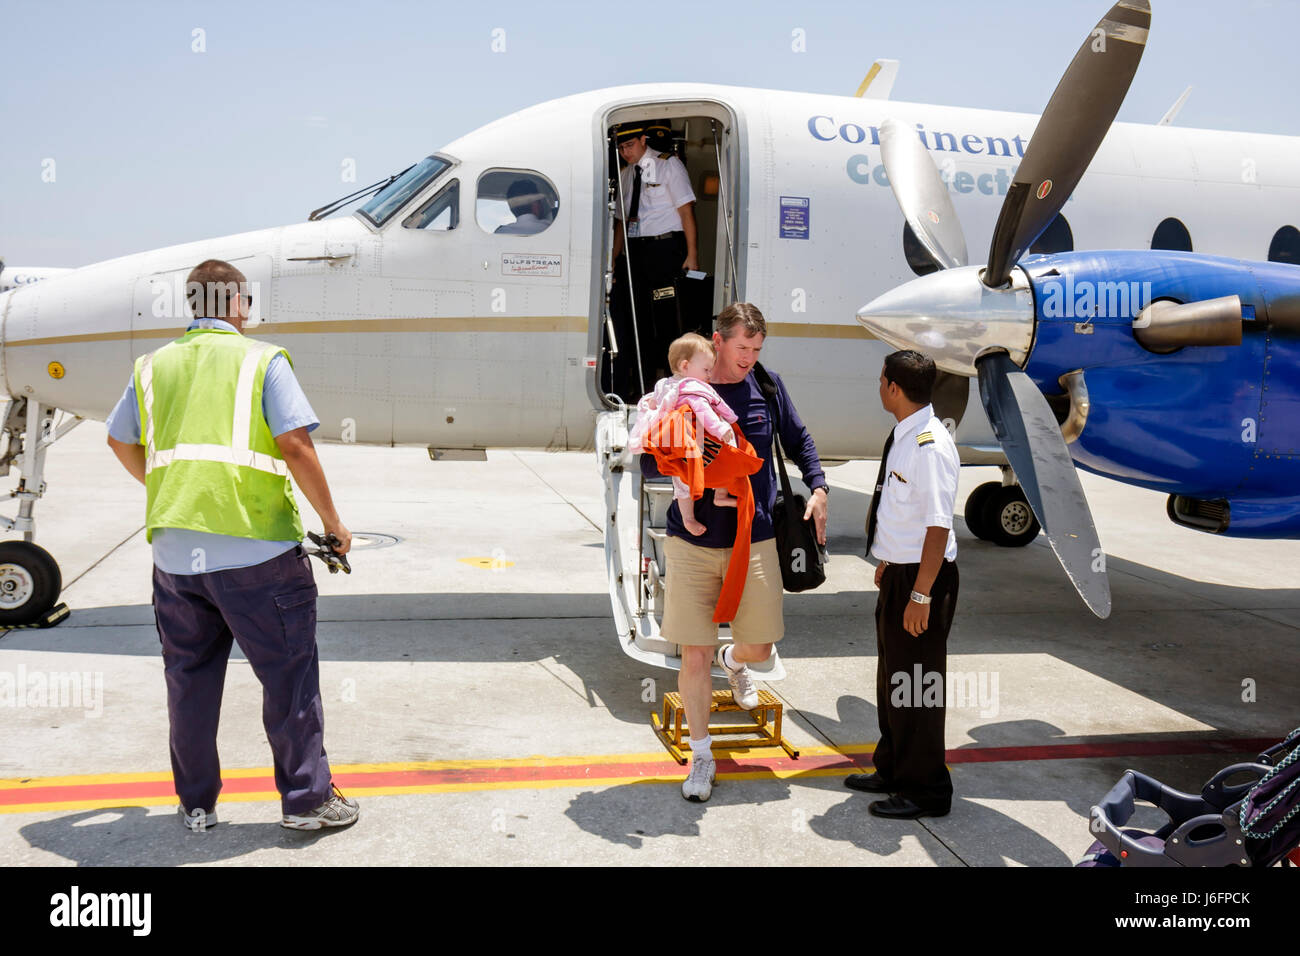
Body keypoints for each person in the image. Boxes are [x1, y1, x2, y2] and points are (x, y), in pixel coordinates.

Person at [105, 258, 360, 832]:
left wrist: (169, 487)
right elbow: (295, 445)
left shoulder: (151, 366)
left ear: (196, 305)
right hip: (256, 555)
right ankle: (306, 802)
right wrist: (334, 523)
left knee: (190, 683)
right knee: (289, 679)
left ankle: (197, 805)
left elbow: (120, 438)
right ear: (238, 304)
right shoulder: (262, 359)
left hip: (175, 558)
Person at [640, 303, 828, 802]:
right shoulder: (680, 392)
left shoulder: (765, 386)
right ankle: (701, 755)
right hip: (693, 542)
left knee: (761, 648)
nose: (749, 357)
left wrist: (819, 485)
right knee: (693, 652)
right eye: (742, 347)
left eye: (757, 349)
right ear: (717, 341)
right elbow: (650, 462)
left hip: (756, 537)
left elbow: (799, 437)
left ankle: (736, 660)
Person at [847, 349, 960, 819]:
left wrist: (920, 593)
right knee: (893, 677)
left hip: (923, 579)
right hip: (904, 570)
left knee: (917, 687)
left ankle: (926, 791)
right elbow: (906, 511)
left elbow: (937, 526)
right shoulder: (907, 433)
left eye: (880, 381)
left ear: (894, 387)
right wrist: (890, 562)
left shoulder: (930, 445)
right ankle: (893, 768)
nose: (878, 388)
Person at [605, 123, 698, 401]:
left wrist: (692, 256)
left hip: (666, 247)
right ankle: (643, 388)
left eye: (630, 145)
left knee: (668, 321)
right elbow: (620, 223)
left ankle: (673, 388)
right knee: (637, 321)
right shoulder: (625, 175)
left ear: (643, 139)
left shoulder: (669, 166)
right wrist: (613, 261)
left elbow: (686, 213)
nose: (626, 152)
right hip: (635, 252)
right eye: (621, 148)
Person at [629, 333, 739, 536]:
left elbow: (655, 404)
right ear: (685, 366)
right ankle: (721, 493)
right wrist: (725, 424)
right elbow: (705, 412)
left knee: (681, 483)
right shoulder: (693, 387)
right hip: (691, 440)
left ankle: (688, 518)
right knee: (726, 455)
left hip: (672, 440)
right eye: (706, 369)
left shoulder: (663, 385)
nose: (709, 375)